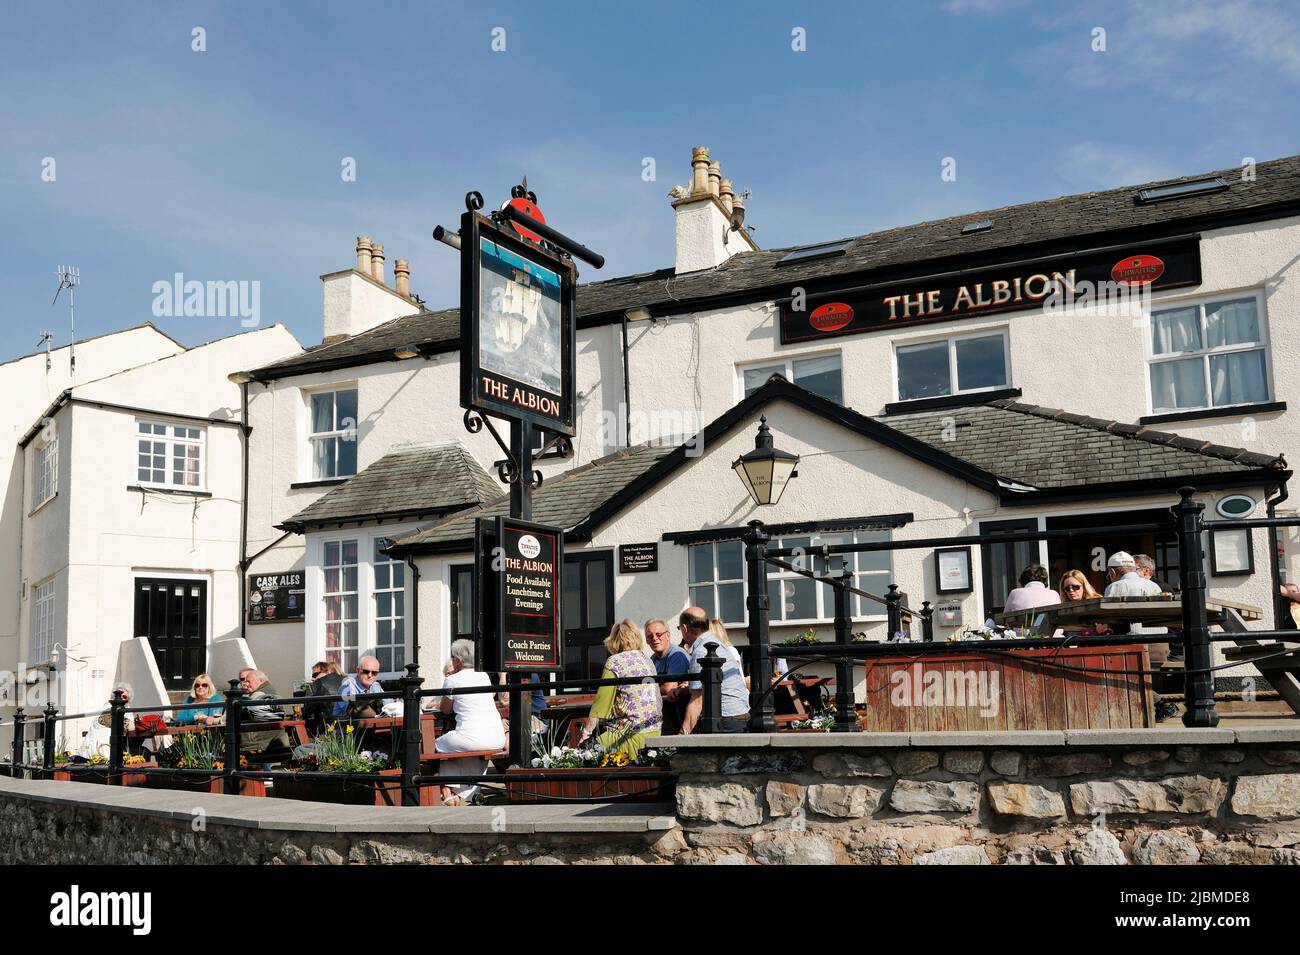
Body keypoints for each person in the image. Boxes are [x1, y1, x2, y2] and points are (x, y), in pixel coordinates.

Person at [433, 639, 505, 805]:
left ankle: (447, 789)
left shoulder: (452, 680)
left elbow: (445, 710)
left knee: (436, 746)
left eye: (453, 657)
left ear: (458, 660)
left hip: (471, 738)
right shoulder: (484, 676)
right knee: (463, 749)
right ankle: (462, 794)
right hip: (496, 737)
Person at [578, 620, 662, 758]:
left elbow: (601, 705)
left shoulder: (614, 662)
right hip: (653, 731)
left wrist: (585, 734)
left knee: (584, 755)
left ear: (614, 640)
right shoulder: (647, 660)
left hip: (628, 734)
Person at [679, 608, 749, 734]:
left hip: (725, 720)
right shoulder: (716, 643)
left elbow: (697, 701)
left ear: (685, 628)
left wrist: (679, 739)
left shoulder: (701, 651)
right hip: (741, 716)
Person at [646, 617, 690, 733]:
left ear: (668, 635)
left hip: (680, 716)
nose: (655, 638)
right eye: (650, 636)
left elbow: (668, 688)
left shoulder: (677, 655)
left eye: (659, 634)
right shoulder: (653, 659)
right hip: (665, 714)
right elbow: (645, 685)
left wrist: (653, 688)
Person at [238, 668, 289, 752]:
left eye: (249, 681)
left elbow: (242, 713)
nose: (246, 684)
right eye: (243, 680)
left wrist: (216, 720)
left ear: (261, 680)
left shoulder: (259, 694)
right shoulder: (268, 690)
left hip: (259, 744)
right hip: (272, 740)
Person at [1058, 569, 1113, 637]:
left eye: (1075, 587)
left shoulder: (1096, 602)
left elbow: (1107, 626)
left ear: (1083, 586)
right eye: (1067, 589)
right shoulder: (1064, 608)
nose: (1071, 591)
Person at [303, 661, 344, 735]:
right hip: (348, 728)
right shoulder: (348, 681)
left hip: (325, 730)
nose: (313, 677)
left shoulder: (318, 684)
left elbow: (307, 712)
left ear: (327, 671)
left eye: (315, 674)